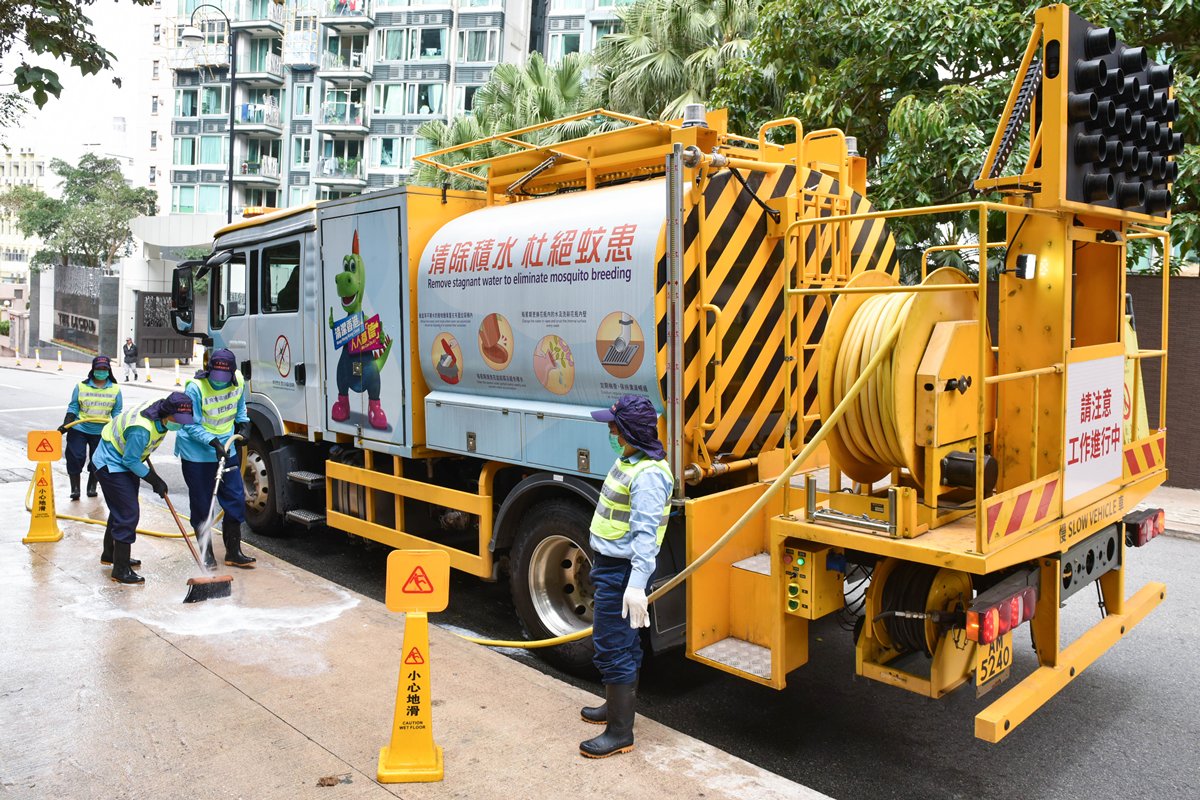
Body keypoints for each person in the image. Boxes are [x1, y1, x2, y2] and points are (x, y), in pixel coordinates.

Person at [579, 395, 674, 759]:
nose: (610, 430)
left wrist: (635, 585)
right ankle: (614, 707)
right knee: (622, 643)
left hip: (622, 573)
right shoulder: (631, 459)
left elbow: (646, 539)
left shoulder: (649, 476)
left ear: (631, 430)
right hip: (609, 567)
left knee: (612, 644)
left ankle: (620, 732)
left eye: (615, 426)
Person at [92, 392, 194, 584]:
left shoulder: (159, 414)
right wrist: (154, 479)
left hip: (125, 460)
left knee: (120, 510)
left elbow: (133, 454)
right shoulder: (142, 429)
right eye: (177, 419)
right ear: (166, 414)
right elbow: (129, 459)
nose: (180, 423)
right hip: (110, 464)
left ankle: (111, 554)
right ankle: (121, 569)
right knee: (128, 513)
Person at [174, 348, 256, 569]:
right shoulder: (195, 388)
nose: (220, 380)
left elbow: (239, 411)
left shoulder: (238, 380)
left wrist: (244, 426)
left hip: (226, 449)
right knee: (203, 505)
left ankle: (233, 552)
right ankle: (206, 554)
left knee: (236, 499)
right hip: (197, 454)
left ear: (232, 372)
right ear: (209, 371)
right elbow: (189, 424)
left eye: (224, 376)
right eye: (215, 376)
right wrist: (212, 442)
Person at [59, 355, 122, 501]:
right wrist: (67, 423)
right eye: (98, 369)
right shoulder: (81, 386)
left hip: (102, 431)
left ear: (109, 371)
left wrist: (118, 428)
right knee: (75, 457)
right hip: (79, 428)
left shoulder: (115, 390)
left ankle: (92, 486)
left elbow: (116, 412)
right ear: (93, 370)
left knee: (97, 460)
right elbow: (73, 407)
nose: (101, 371)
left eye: (104, 369)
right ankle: (75, 488)